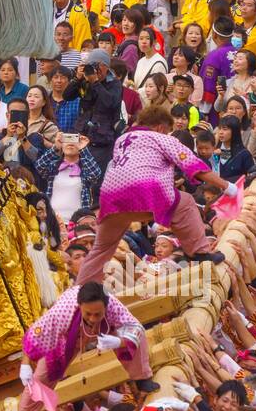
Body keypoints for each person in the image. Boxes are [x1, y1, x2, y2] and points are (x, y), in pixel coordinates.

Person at [76, 106, 232, 283]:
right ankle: (200, 253)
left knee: (100, 250)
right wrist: (227, 186)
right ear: (160, 127)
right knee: (186, 201)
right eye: (167, 131)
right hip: (144, 193)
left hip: (111, 198)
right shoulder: (160, 138)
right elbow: (193, 164)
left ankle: (79, 290)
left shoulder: (121, 140)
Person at [15, 281, 155, 411]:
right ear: (79, 305)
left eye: (97, 314)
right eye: (88, 313)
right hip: (68, 339)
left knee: (135, 337)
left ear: (106, 307)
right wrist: (25, 364)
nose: (93, 318)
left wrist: (118, 341)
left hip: (106, 330)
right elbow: (34, 336)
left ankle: (142, 379)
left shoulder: (113, 306)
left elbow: (135, 327)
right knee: (41, 378)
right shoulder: (61, 312)